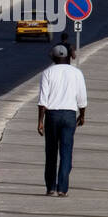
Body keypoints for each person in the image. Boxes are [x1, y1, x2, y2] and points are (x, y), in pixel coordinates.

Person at [37, 43, 88, 197]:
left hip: (52, 116)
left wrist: (40, 121)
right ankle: (62, 188)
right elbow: (82, 98)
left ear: (53, 57)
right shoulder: (77, 73)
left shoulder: (47, 73)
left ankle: (51, 187)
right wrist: (82, 115)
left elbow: (42, 101)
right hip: (69, 116)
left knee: (51, 152)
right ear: (67, 57)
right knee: (66, 152)